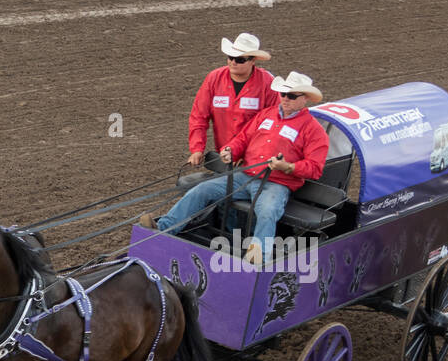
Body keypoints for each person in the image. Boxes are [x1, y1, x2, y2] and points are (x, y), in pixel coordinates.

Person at [141, 71, 329, 267]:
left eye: (291, 96)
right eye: (283, 94)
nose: (285, 99)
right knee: (201, 190)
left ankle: (258, 258)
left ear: (305, 98)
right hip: (244, 176)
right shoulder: (266, 115)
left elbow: (315, 168)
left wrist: (288, 166)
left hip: (275, 184)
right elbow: (242, 139)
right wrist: (230, 150)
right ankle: (162, 229)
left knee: (267, 210)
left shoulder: (313, 130)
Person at [187, 33, 276, 168]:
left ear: (253, 61)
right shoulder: (214, 78)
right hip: (224, 156)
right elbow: (199, 116)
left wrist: (251, 153)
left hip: (254, 158)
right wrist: (197, 149)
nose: (233, 62)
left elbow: (274, 124)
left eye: (240, 60)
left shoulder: (267, 83)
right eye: (231, 57)